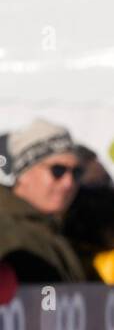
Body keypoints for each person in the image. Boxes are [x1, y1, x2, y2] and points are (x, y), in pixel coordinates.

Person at [0, 118, 86, 282]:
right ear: (24, 173)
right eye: (58, 170)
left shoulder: (64, 229)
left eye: (76, 173)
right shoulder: (5, 230)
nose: (69, 183)